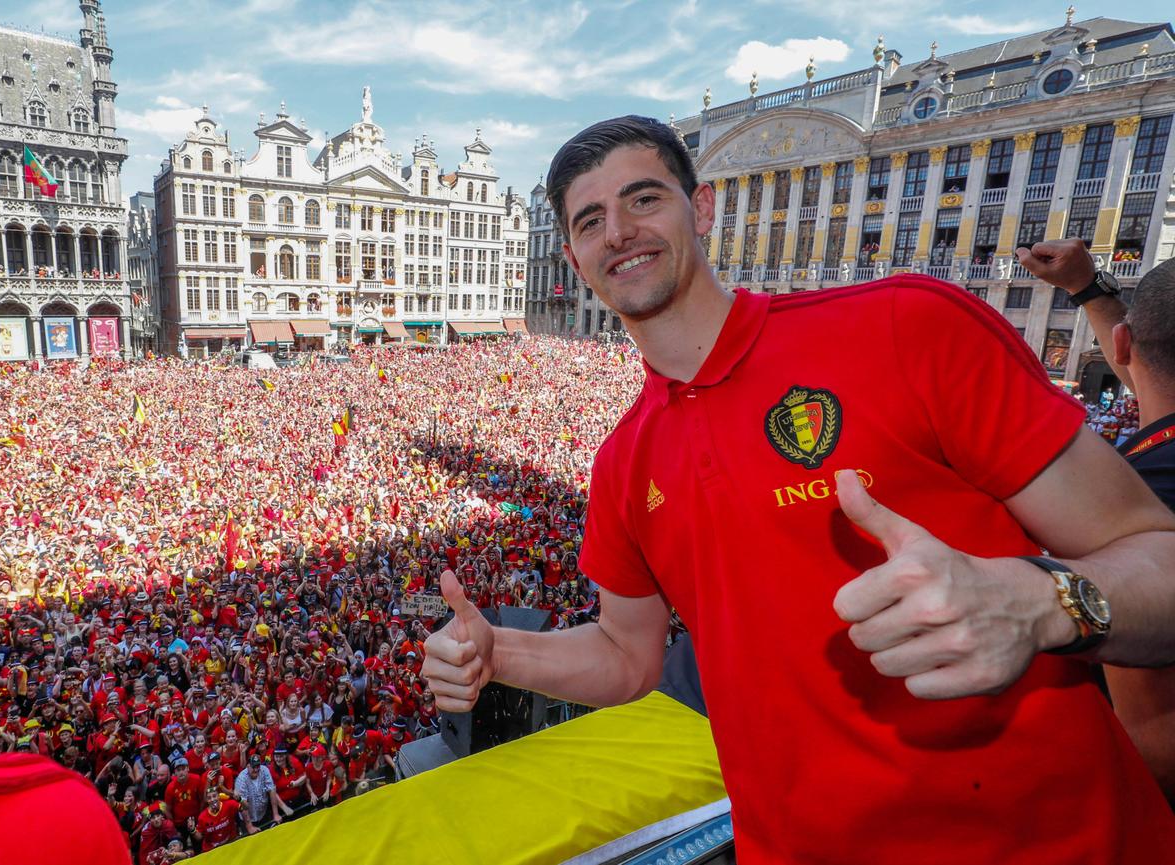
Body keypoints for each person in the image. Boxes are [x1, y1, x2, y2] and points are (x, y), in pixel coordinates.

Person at [422, 115, 1175, 863]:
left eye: (644, 198)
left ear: (703, 207)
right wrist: (499, 650)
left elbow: (1157, 556)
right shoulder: (624, 461)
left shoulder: (904, 327)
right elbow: (627, 655)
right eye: (591, 220)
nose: (618, 230)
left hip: (1056, 842)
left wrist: (1043, 601)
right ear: (573, 257)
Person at [1017, 239, 1175, 805]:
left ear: (1124, 344)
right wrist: (1088, 290)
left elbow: (1152, 735)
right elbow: (1153, 379)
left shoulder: (1146, 502)